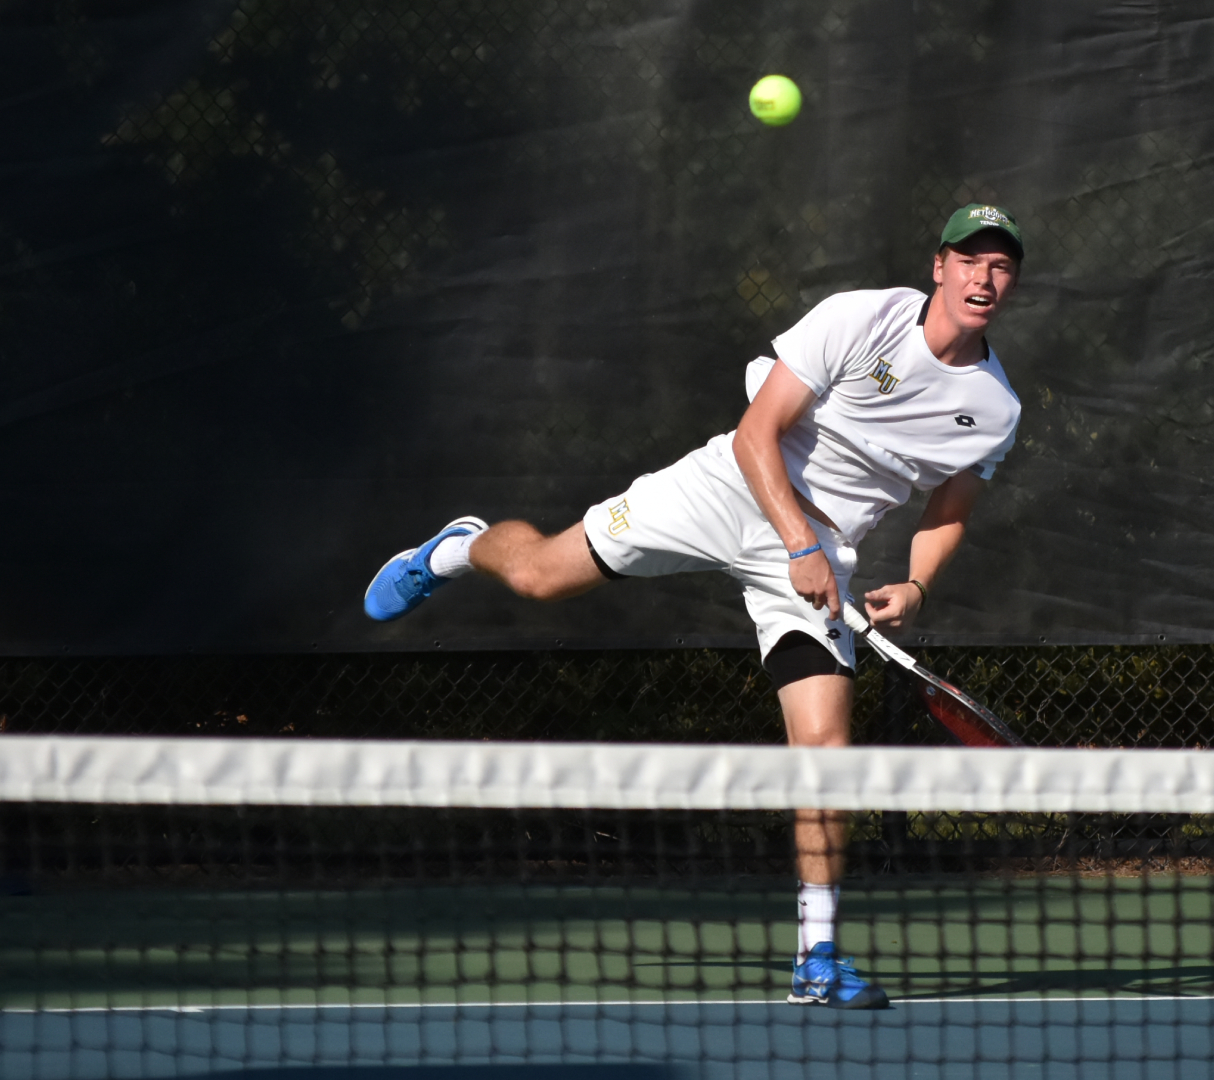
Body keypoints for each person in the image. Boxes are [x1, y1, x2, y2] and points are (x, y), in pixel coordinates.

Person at [361, 204, 1026, 1009]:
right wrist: (799, 543)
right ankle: (459, 547)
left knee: (825, 747)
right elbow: (756, 436)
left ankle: (816, 957)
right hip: (731, 491)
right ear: (939, 266)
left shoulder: (994, 410)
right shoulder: (861, 317)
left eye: (1000, 266)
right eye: (970, 260)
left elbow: (948, 510)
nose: (983, 279)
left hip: (818, 559)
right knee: (540, 576)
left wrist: (915, 585)